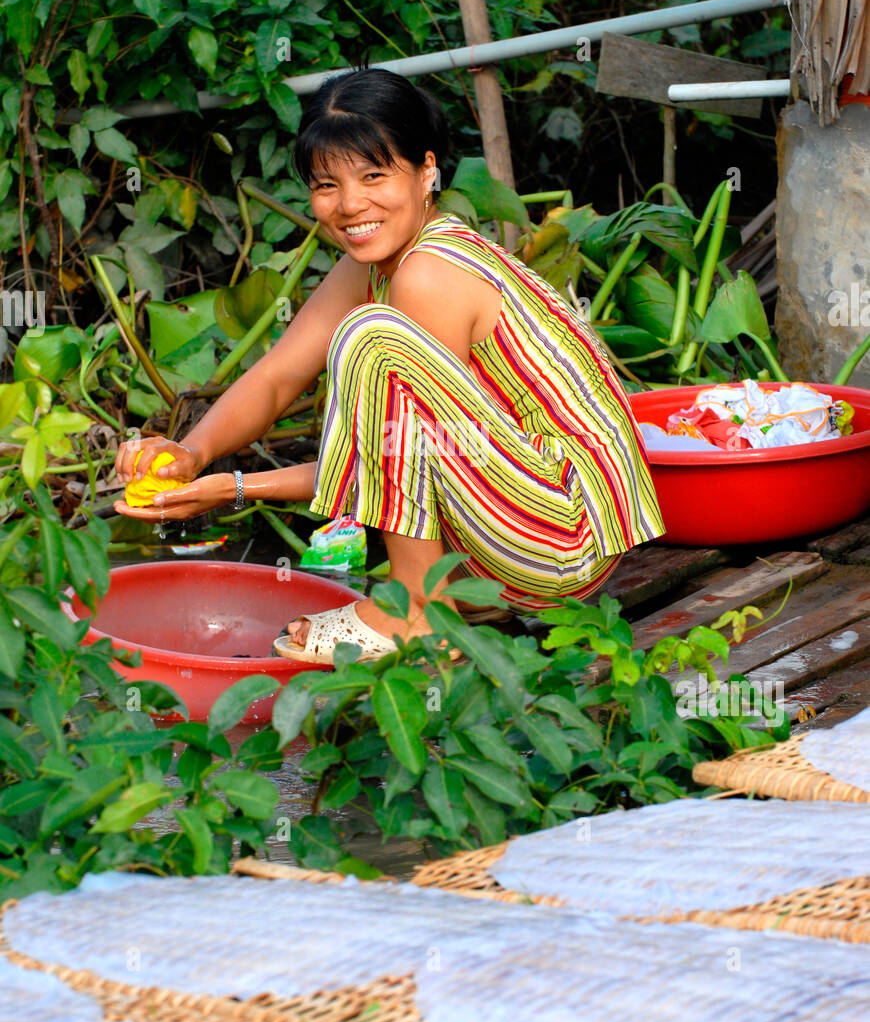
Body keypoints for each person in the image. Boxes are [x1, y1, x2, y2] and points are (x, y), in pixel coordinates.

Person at [113, 67, 665, 663]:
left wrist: (240, 488)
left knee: (370, 337)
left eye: (374, 176)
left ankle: (418, 611)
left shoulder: (430, 271)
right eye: (327, 185)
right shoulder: (374, 260)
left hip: (562, 540)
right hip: (515, 521)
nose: (351, 205)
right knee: (367, 337)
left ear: (427, 170)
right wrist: (191, 455)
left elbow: (409, 458)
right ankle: (437, 600)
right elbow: (277, 376)